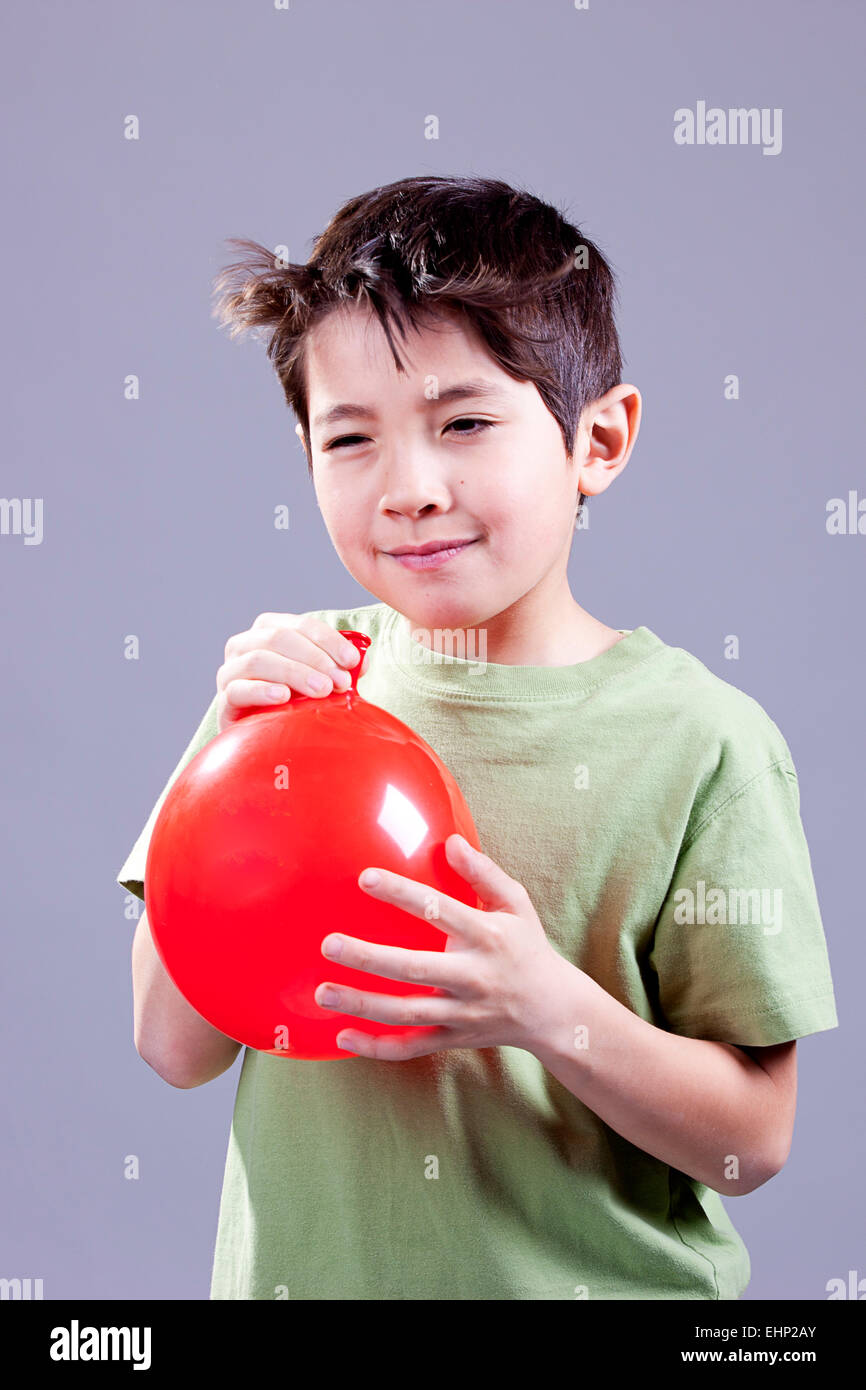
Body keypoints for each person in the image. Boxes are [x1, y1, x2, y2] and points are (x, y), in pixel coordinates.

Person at [116, 175, 838, 1300]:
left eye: (462, 422)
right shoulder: (292, 692)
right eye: (349, 437)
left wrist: (547, 1009)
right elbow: (172, 1046)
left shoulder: (702, 741)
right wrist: (230, 764)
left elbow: (752, 1140)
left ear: (597, 440)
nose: (408, 487)